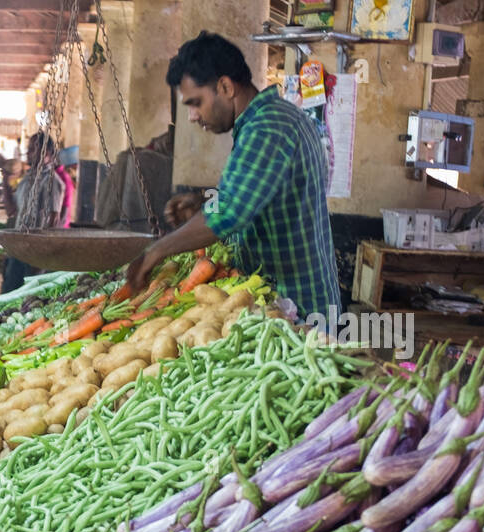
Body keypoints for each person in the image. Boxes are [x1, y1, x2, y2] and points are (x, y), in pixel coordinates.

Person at [123, 31, 339, 320]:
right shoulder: (272, 118)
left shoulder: (268, 128)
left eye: (196, 102)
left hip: (299, 307)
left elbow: (227, 213)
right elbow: (247, 195)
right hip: (287, 301)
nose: (193, 116)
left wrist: (156, 251)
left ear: (225, 86)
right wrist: (204, 200)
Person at [3, 132, 65, 292]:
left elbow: (53, 219)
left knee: (27, 299)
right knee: (8, 295)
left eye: (33, 149)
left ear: (48, 153)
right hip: (18, 249)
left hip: (35, 254)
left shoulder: (52, 181)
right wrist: (5, 181)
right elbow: (11, 211)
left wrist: (41, 258)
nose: (29, 153)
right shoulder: (27, 179)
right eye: (29, 149)